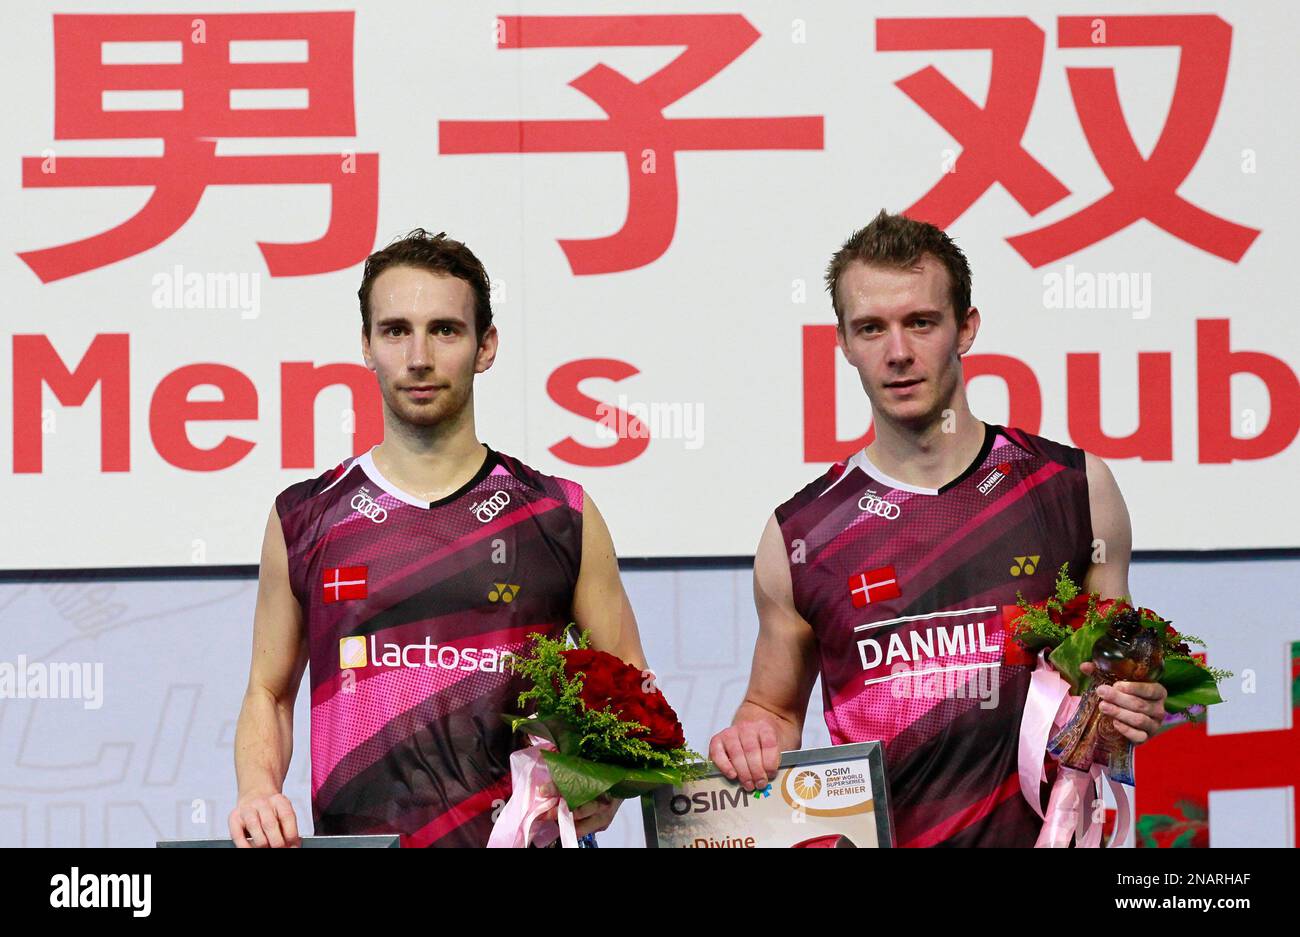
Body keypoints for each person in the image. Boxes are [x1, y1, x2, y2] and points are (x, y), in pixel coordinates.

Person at [709, 210, 1167, 847]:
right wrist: (750, 737)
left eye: (920, 322)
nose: (898, 352)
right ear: (843, 343)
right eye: (871, 328)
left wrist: (1135, 703)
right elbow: (773, 710)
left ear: (967, 328)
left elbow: (1117, 676)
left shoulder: (1073, 488)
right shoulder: (800, 535)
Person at [229, 230, 646, 847]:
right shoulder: (304, 517)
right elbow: (269, 691)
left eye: (445, 330)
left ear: (486, 347)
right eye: (396, 330)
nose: (418, 357)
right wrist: (259, 790)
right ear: (367, 346)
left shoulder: (561, 513)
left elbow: (631, 683)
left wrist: (604, 779)